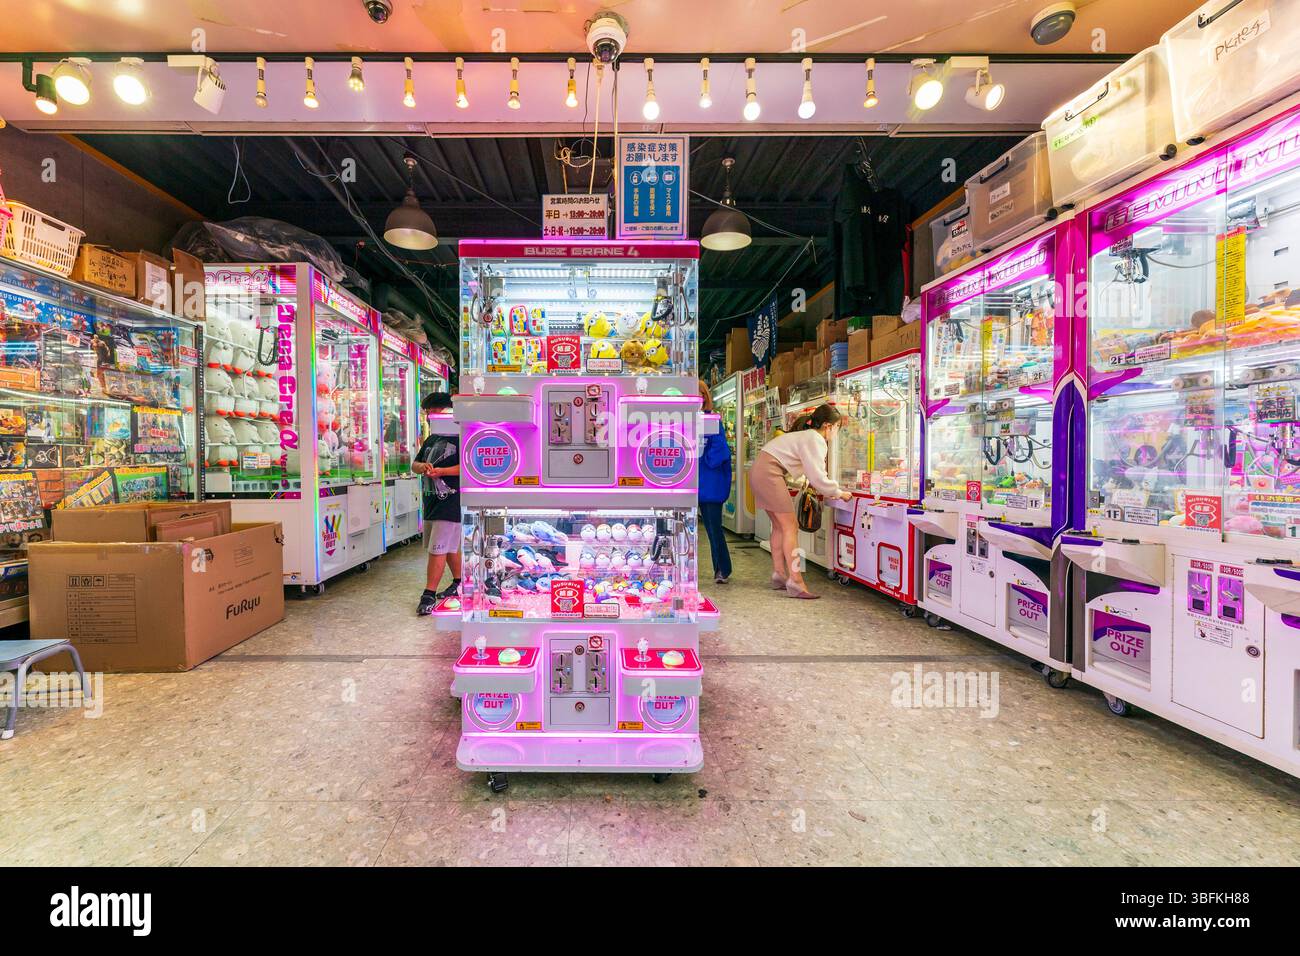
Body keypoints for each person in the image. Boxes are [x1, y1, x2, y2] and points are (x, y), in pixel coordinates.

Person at [748, 403, 851, 599]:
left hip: (759, 472)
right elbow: (817, 476)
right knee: (790, 527)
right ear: (828, 426)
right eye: (837, 427)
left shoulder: (805, 436)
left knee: (779, 526)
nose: (836, 432)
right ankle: (795, 581)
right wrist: (838, 492)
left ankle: (779, 573)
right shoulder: (816, 439)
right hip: (769, 474)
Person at [412, 392, 461, 615]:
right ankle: (459, 582)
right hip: (431, 500)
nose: (429, 417)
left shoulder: (462, 435)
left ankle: (428, 594)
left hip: (451, 502)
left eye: (430, 412)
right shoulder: (432, 438)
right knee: (449, 547)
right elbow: (415, 463)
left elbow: (470, 467)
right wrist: (423, 468)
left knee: (437, 549)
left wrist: (442, 471)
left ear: (443, 411)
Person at [697, 381, 733, 584]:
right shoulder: (679, 418)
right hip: (688, 480)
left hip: (708, 481)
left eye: (701, 393)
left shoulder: (712, 420)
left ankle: (722, 569)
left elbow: (719, 452)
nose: (698, 397)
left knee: (713, 527)